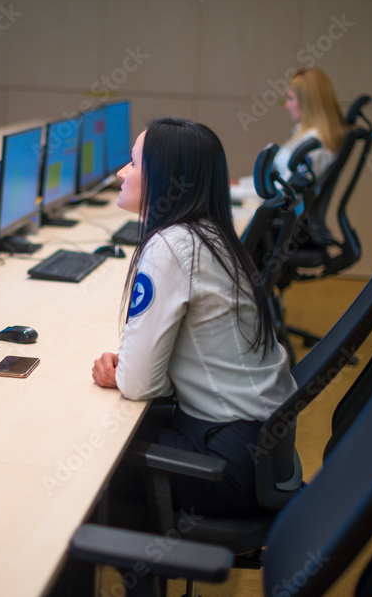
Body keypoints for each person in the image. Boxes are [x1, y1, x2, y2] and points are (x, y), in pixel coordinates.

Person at [92, 117, 296, 517]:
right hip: (263, 449)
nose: (121, 172)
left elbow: (139, 384)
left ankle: (137, 572)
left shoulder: (172, 246)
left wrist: (122, 372)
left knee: (82, 472)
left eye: (133, 163)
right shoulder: (210, 234)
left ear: (163, 177)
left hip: (227, 462)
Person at [273, 67, 349, 182]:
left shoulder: (314, 143)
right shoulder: (307, 134)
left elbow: (282, 192)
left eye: (291, 98)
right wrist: (240, 185)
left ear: (308, 102)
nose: (287, 105)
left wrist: (239, 190)